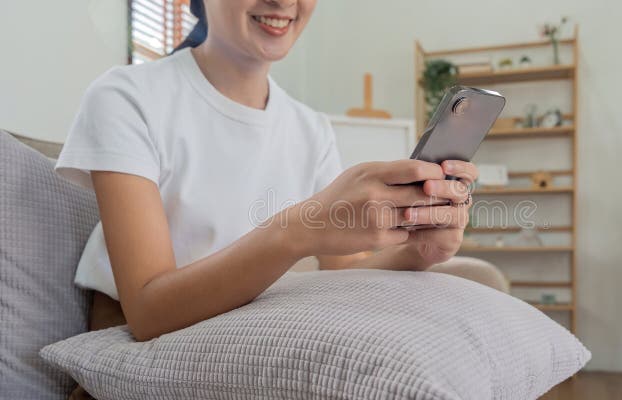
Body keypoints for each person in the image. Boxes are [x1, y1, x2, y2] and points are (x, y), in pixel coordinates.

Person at [55, 0, 476, 342]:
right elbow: (148, 313)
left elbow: (345, 275)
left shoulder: (310, 128)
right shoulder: (126, 97)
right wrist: (297, 231)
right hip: (145, 345)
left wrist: (417, 253)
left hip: (257, 332)